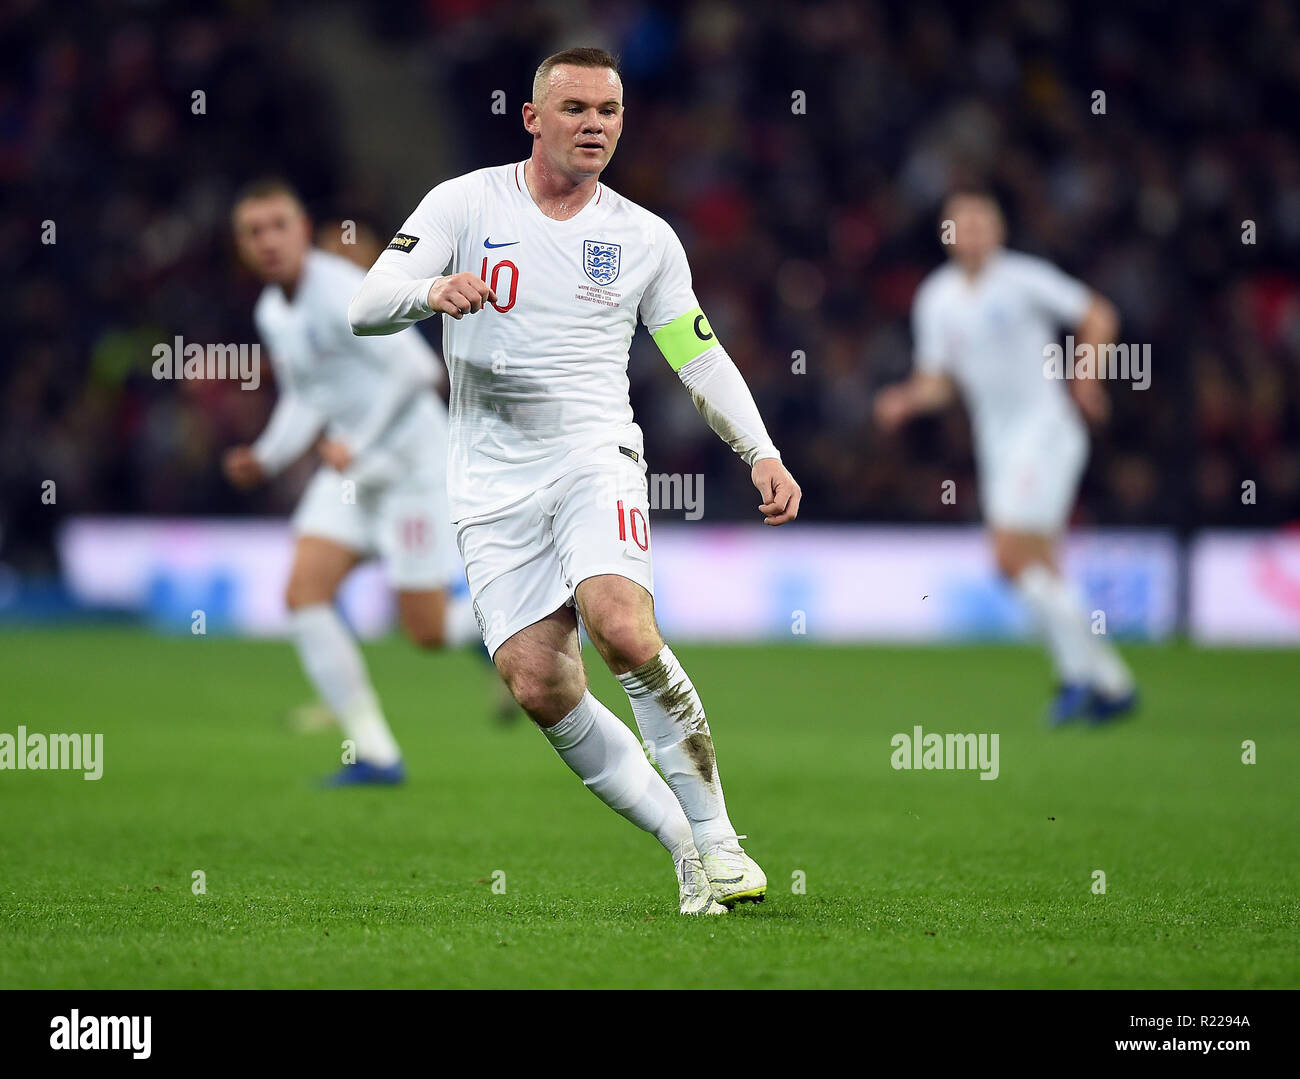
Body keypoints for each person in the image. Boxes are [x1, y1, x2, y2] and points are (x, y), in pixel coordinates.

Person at [349, 48, 802, 913]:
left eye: (609, 111)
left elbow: (696, 355)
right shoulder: (465, 203)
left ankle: (719, 836)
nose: (595, 125)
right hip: (488, 483)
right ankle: (684, 848)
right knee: (537, 683)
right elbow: (365, 304)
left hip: (596, 457)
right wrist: (431, 291)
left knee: (622, 628)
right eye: (576, 109)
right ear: (533, 119)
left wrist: (762, 451)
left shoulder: (643, 238)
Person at [224, 179, 482, 785]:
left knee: (428, 633)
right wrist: (265, 456)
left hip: (411, 472)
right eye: (253, 232)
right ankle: (375, 754)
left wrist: (358, 444)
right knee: (303, 596)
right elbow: (307, 399)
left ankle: (538, 606)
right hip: (351, 478)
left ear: (302, 228)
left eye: (278, 226)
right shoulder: (272, 310)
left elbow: (420, 369)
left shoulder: (341, 290)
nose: (267, 241)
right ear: (241, 246)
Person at [875, 188, 1137, 725]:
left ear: (998, 232)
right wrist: (906, 398)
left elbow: (1099, 315)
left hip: (1046, 431)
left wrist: (1086, 380)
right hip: (997, 443)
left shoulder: (1022, 278)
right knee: (1038, 566)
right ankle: (1105, 684)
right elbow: (939, 382)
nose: (969, 233)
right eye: (959, 223)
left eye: (979, 222)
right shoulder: (937, 297)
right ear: (946, 234)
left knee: (1009, 557)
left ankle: (1089, 679)